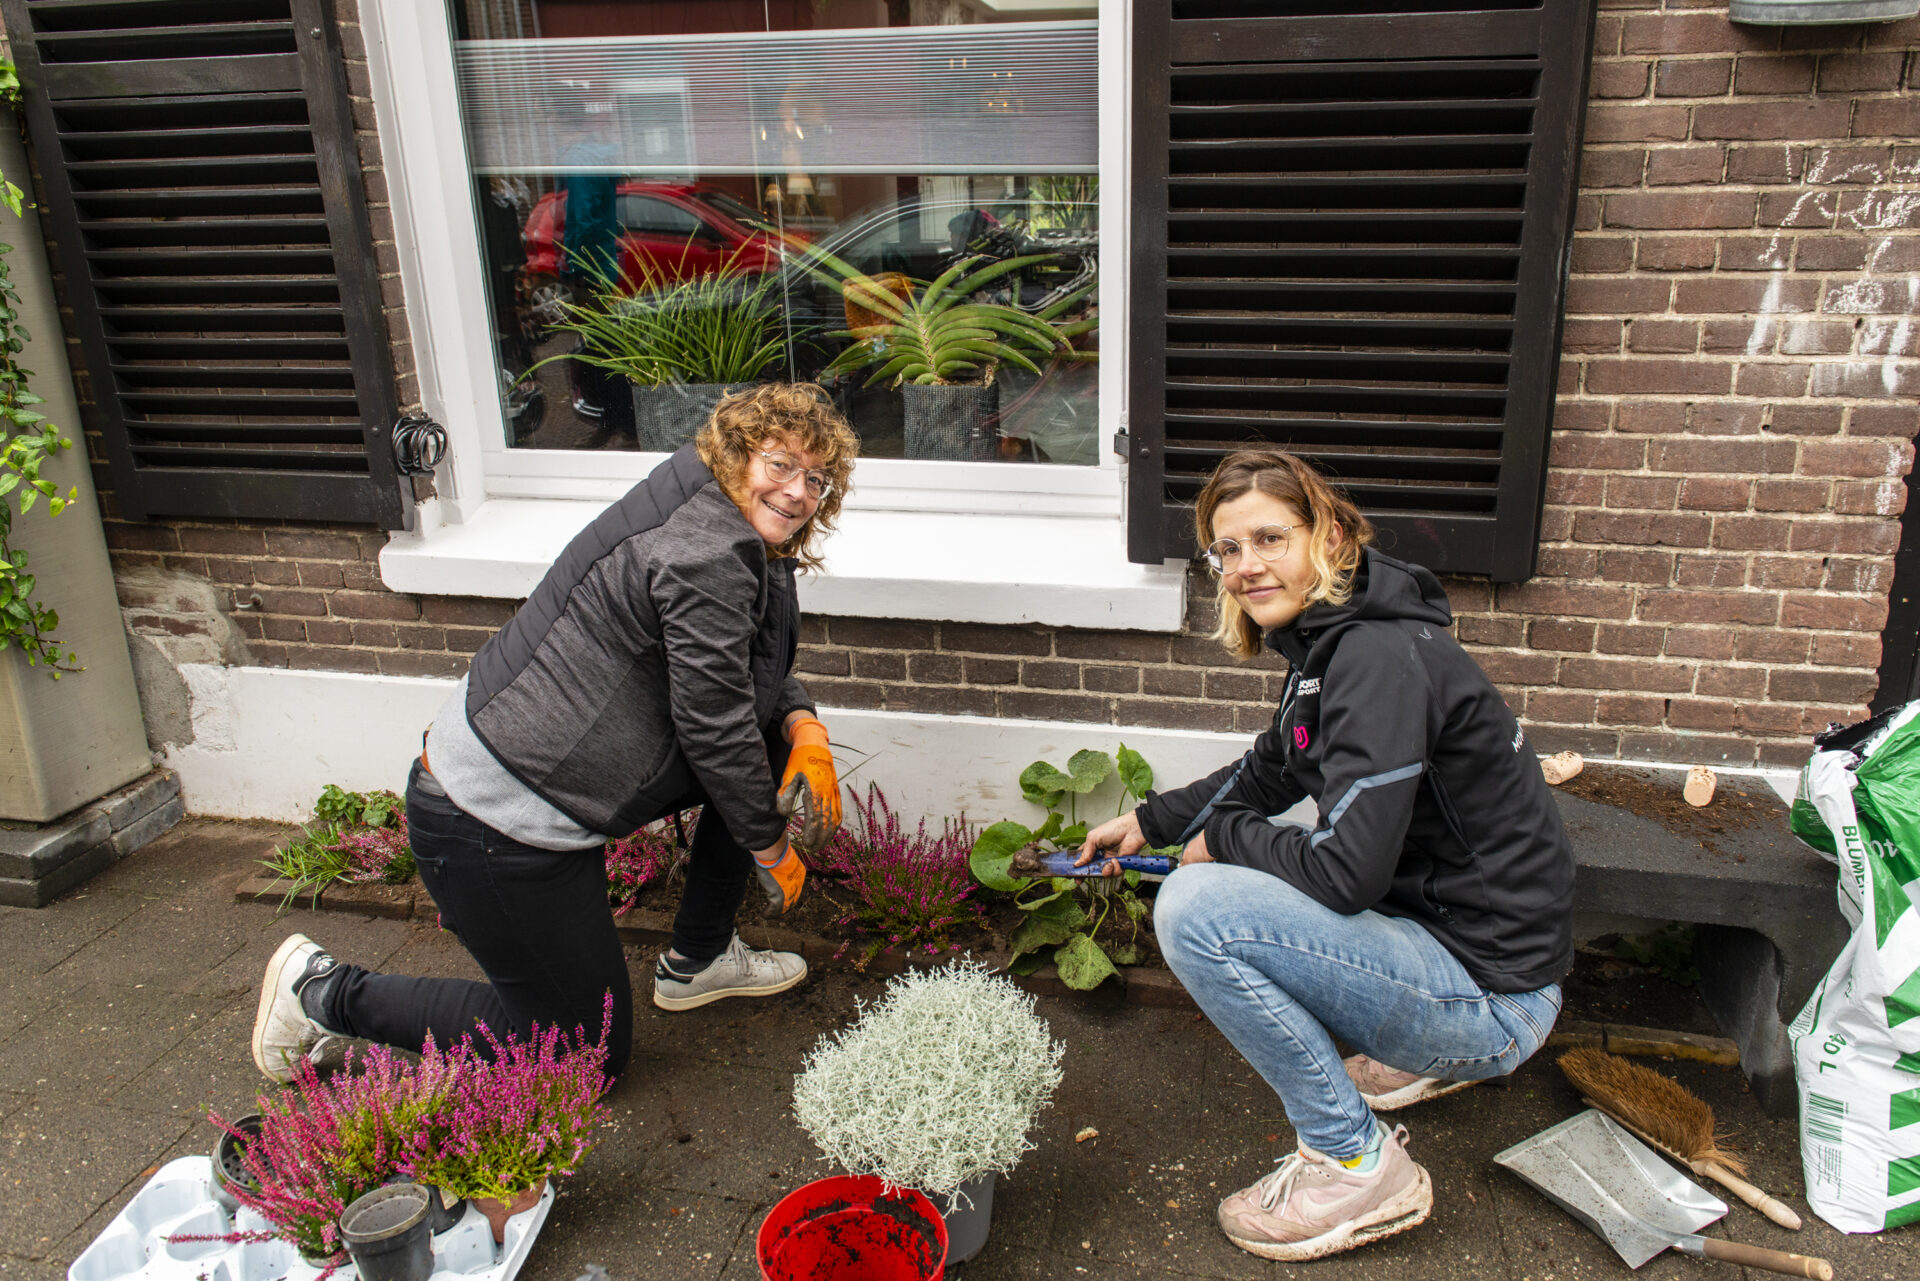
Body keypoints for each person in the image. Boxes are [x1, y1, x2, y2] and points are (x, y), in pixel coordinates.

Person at [251, 383, 859, 1084]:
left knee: (775, 747)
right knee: (581, 1055)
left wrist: (802, 722)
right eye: (780, 464)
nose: (798, 490)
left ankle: (699, 957)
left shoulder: (730, 515)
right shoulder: (706, 551)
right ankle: (321, 991)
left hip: (539, 788)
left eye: (816, 478)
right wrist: (768, 843)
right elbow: (713, 723)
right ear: (736, 452)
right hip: (492, 823)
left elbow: (747, 667)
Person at [1078, 449, 1574, 1262]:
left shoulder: (1375, 659)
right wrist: (1152, 821)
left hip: (1495, 996)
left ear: (1330, 534)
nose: (1246, 566)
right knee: (1221, 873)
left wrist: (1218, 844)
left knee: (1198, 912)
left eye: (1270, 537)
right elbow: (1272, 765)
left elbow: (1349, 874)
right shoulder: (1332, 644)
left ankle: (1355, 1161)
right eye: (1226, 549)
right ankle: (1415, 1056)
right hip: (1472, 947)